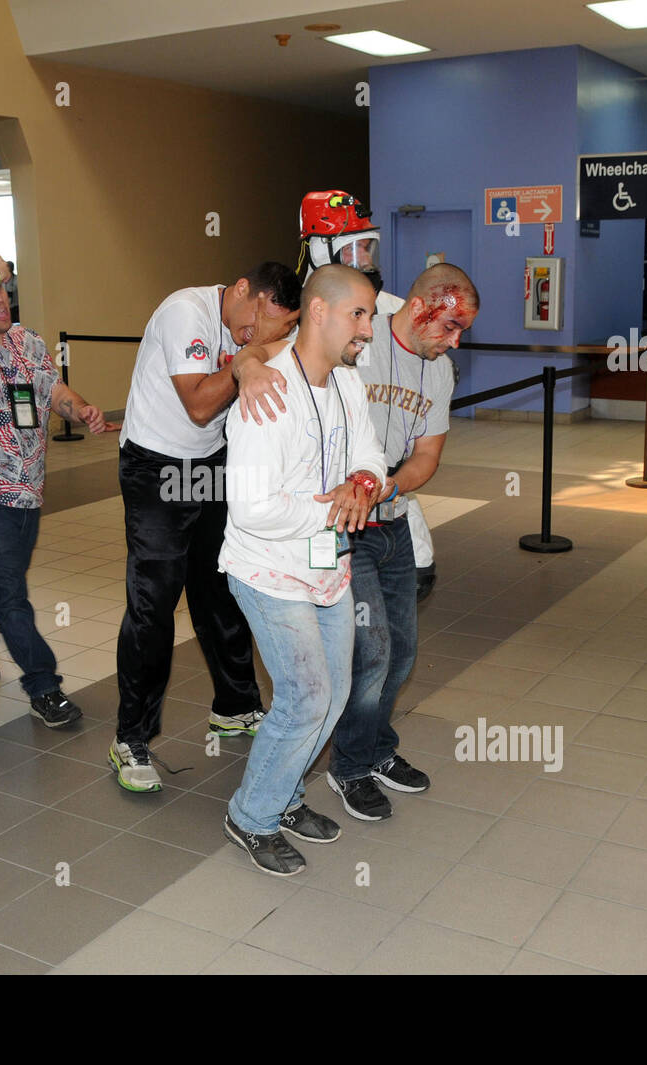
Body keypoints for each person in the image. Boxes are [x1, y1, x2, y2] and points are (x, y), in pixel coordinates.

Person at [219, 264, 387, 876]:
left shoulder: (346, 384)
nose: (367, 330)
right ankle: (251, 815)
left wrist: (364, 483)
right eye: (359, 315)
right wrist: (335, 507)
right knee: (306, 695)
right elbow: (253, 507)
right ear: (319, 311)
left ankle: (285, 797)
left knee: (335, 693)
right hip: (267, 570)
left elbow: (369, 454)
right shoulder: (267, 393)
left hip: (326, 564)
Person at [109, 263, 301, 793]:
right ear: (243, 291)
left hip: (211, 464)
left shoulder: (257, 328)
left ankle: (236, 706)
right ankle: (132, 736)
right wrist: (246, 360)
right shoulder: (184, 312)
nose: (259, 337)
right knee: (155, 602)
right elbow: (197, 405)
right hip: (157, 468)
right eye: (257, 323)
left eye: (278, 329)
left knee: (223, 590)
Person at [326, 263, 478, 822]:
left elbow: (427, 457)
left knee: (403, 653)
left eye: (462, 330)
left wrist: (389, 484)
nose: (456, 340)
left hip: (391, 519)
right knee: (372, 651)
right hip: (344, 526)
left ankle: (377, 749)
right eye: (450, 326)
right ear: (418, 309)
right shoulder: (361, 339)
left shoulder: (439, 373)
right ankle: (349, 768)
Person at [0, 256, 106, 728]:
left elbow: (53, 390)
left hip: (26, 485)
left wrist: (82, 409)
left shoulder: (27, 341)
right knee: (11, 593)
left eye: (5, 292)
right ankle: (43, 686)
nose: (1, 301)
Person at [298, 189, 444, 600]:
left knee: (409, 590)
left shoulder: (395, 312)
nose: (365, 261)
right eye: (353, 250)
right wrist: (249, 364)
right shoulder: (296, 321)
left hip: (384, 491)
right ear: (320, 251)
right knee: (330, 607)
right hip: (320, 497)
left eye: (369, 248)